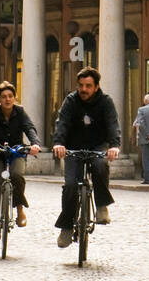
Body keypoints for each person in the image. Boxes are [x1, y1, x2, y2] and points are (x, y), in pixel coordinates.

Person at [51, 67, 122, 248]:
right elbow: (62, 123)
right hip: (74, 147)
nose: (84, 89)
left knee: (100, 165)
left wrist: (114, 146)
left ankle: (101, 206)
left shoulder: (106, 102)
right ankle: (66, 227)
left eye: (88, 86)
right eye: (81, 85)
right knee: (70, 186)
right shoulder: (71, 101)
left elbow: (113, 124)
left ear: (96, 87)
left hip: (98, 145)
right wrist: (59, 143)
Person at [0, 81, 41, 232]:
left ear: (15, 98)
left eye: (10, 96)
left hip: (16, 151)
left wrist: (34, 144)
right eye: (4, 96)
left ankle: (19, 210)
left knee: (17, 176)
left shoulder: (20, 112)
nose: (7, 99)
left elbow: (29, 128)